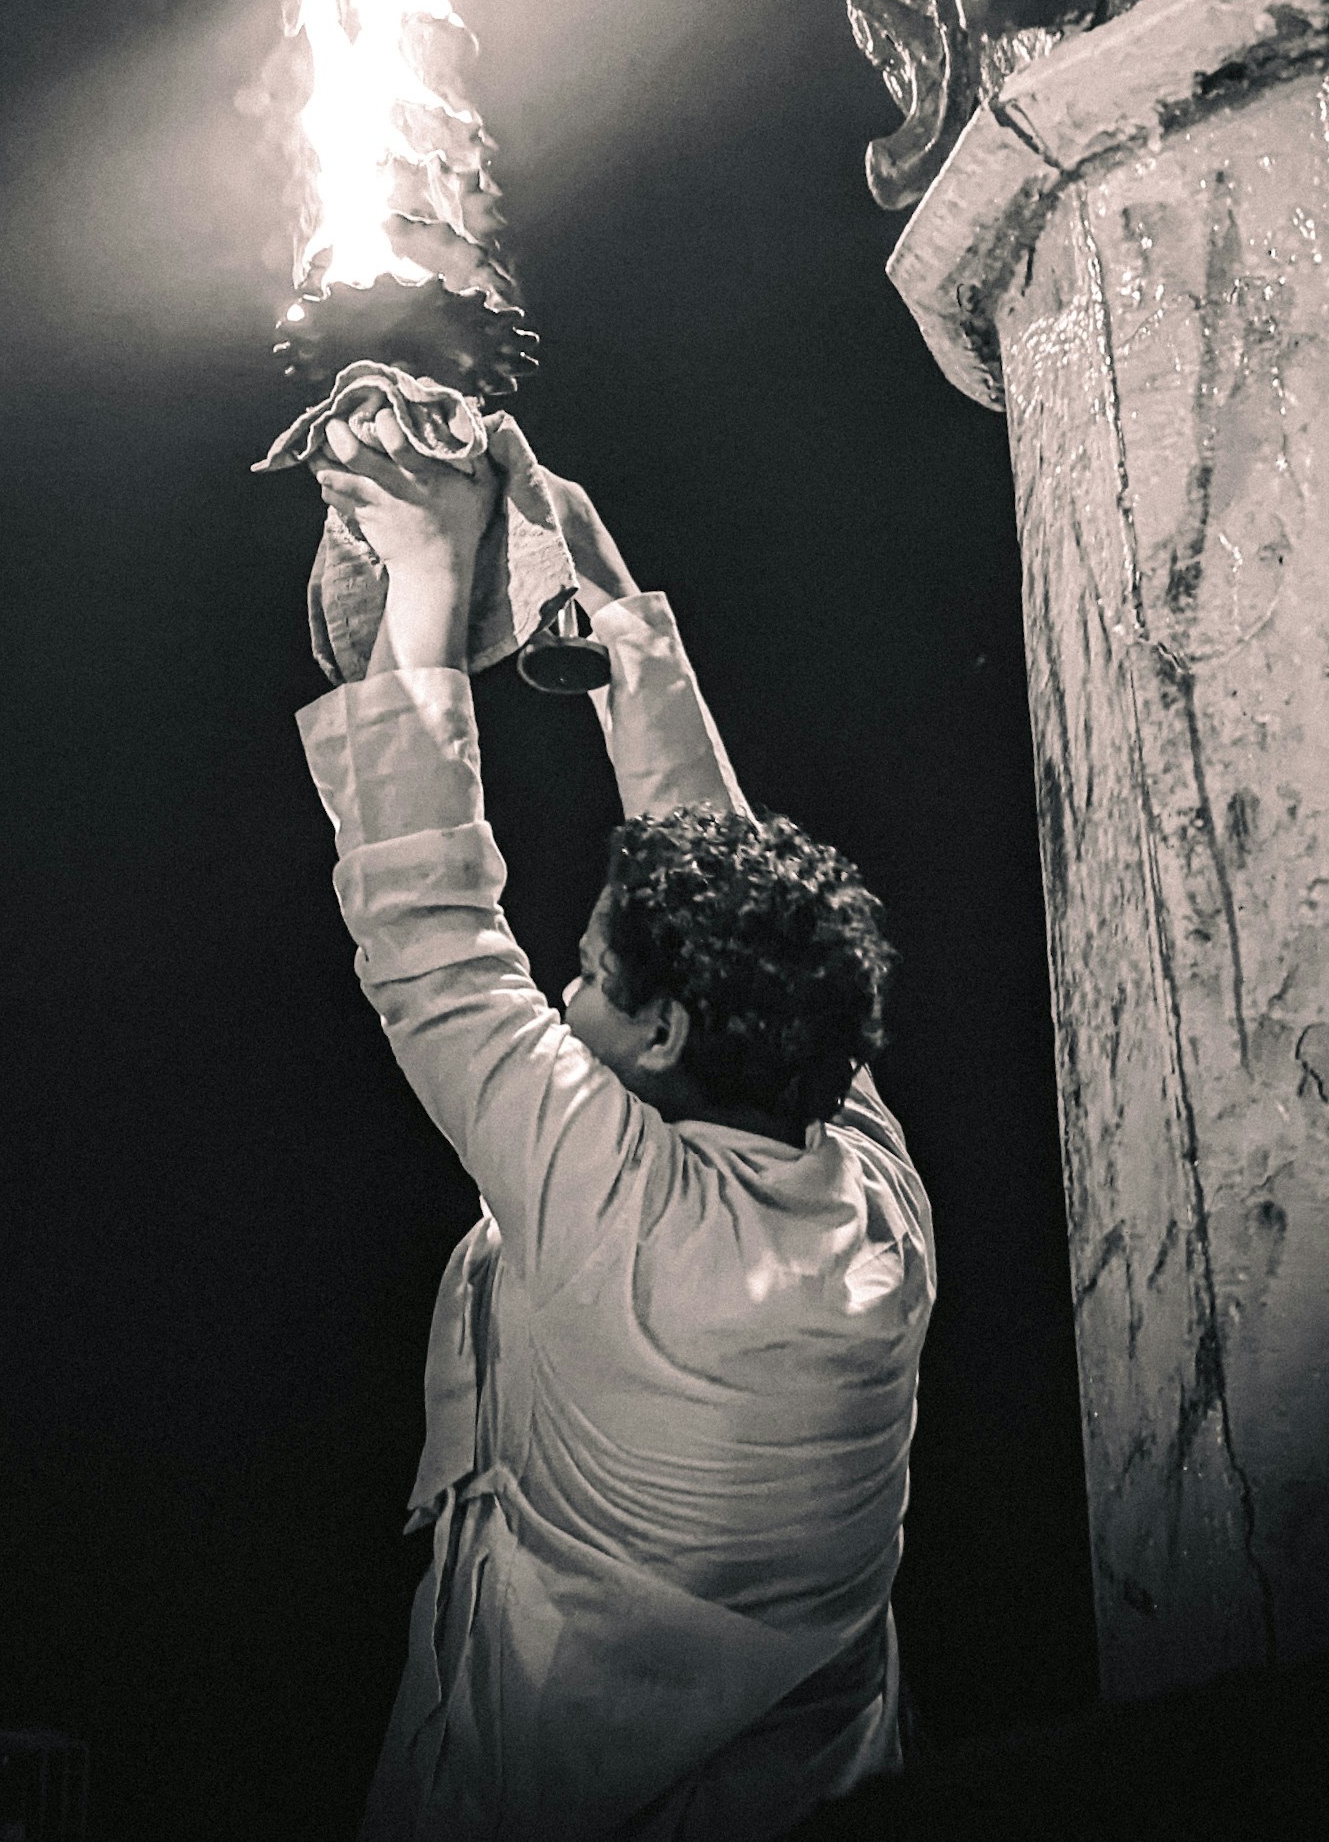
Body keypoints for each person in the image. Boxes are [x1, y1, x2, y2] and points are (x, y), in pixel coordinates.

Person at [301, 413, 935, 1841]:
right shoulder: (858, 1165)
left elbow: (430, 930)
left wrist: (424, 569)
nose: (562, 995)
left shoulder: (628, 1209)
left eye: (584, 976)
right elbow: (710, 842)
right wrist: (601, 593)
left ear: (663, 1034)